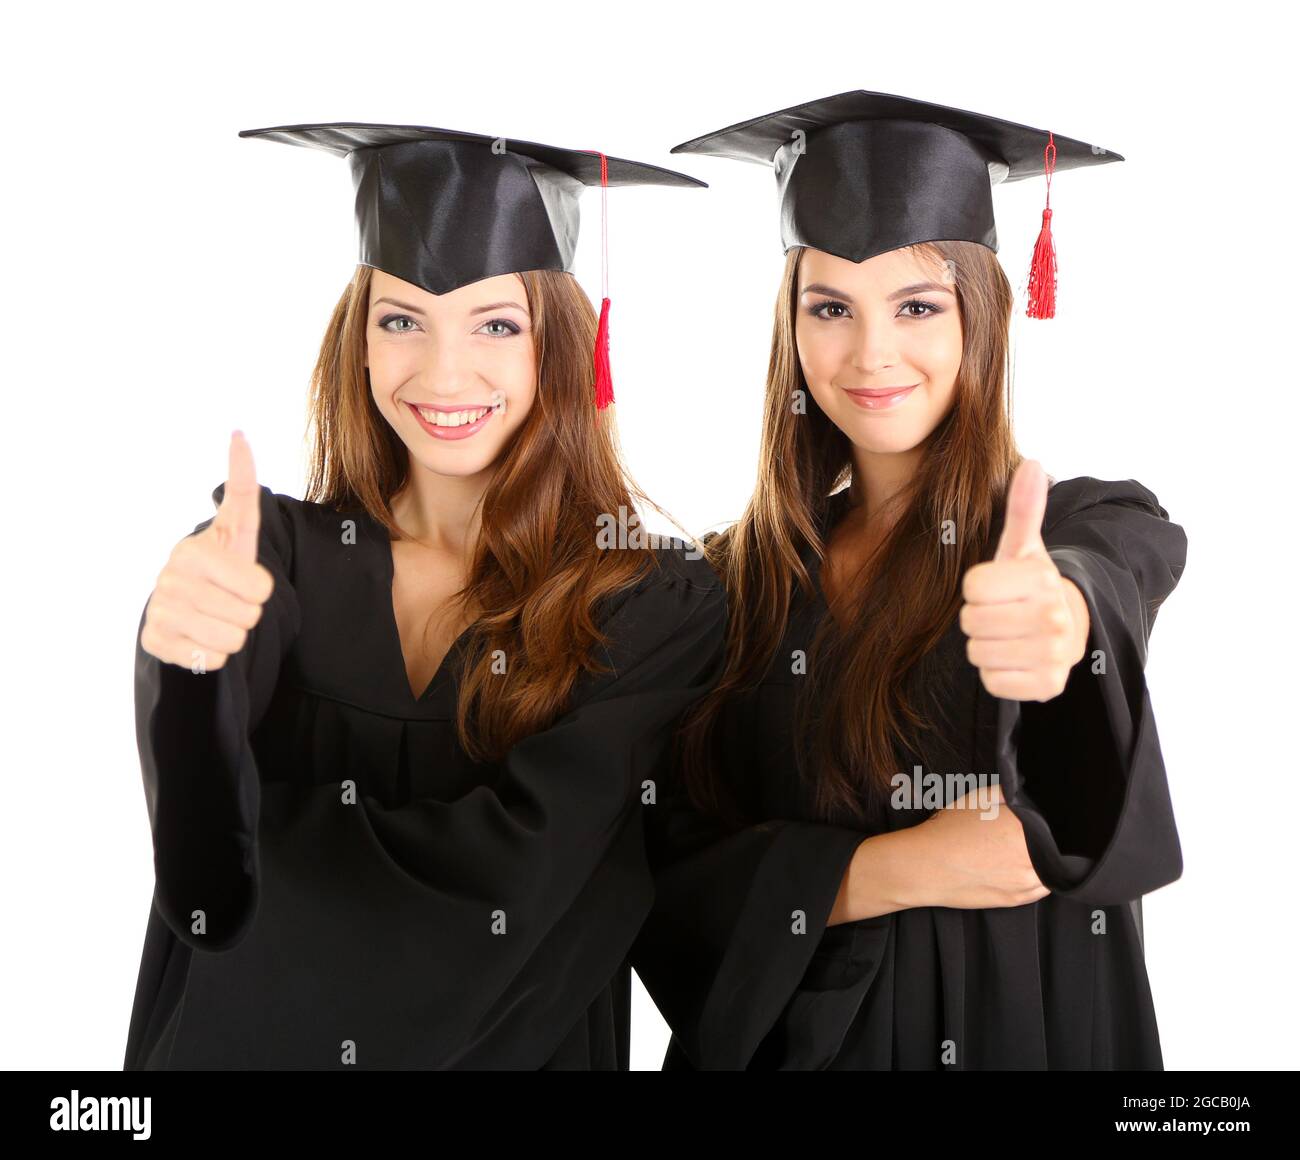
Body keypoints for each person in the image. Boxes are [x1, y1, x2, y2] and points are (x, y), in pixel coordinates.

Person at [123, 121, 723, 1069]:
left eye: (496, 324)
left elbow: (520, 890)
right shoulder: (270, 558)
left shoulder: (646, 608)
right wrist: (187, 667)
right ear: (358, 342)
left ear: (561, 347)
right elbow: (202, 878)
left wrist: (268, 832)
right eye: (402, 320)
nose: (444, 373)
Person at [630, 91, 1187, 1070]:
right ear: (790, 329)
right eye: (830, 307)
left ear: (982, 313)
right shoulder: (726, 587)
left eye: (917, 305)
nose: (870, 352)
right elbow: (661, 871)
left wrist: (1061, 614)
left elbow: (1119, 567)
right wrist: (884, 868)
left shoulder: (1069, 528)